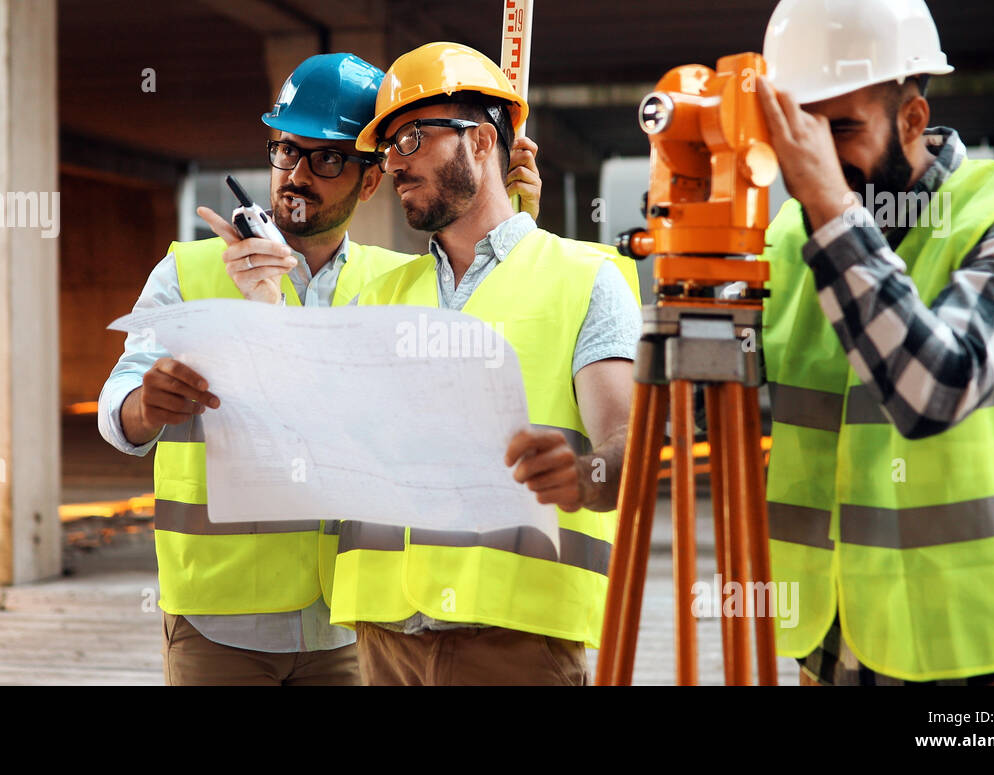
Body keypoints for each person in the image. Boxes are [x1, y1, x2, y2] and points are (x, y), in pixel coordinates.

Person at [97, 52, 543, 685]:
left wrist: (517, 221)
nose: (297, 175)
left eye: (327, 158)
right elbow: (118, 409)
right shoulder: (188, 272)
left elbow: (483, 365)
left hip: (354, 621)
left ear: (371, 180)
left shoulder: (401, 285)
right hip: (220, 619)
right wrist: (145, 406)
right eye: (286, 151)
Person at [756, 0, 994, 685]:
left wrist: (831, 212)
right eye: (802, 128)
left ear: (912, 119)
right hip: (836, 652)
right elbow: (698, 411)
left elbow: (936, 387)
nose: (818, 158)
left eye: (841, 128)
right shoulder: (788, 240)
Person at [331, 42, 642, 685]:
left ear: (479, 142)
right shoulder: (377, 299)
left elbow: (630, 442)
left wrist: (586, 474)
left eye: (412, 139)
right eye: (388, 148)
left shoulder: (583, 280)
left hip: (515, 640)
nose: (394, 164)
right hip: (384, 640)